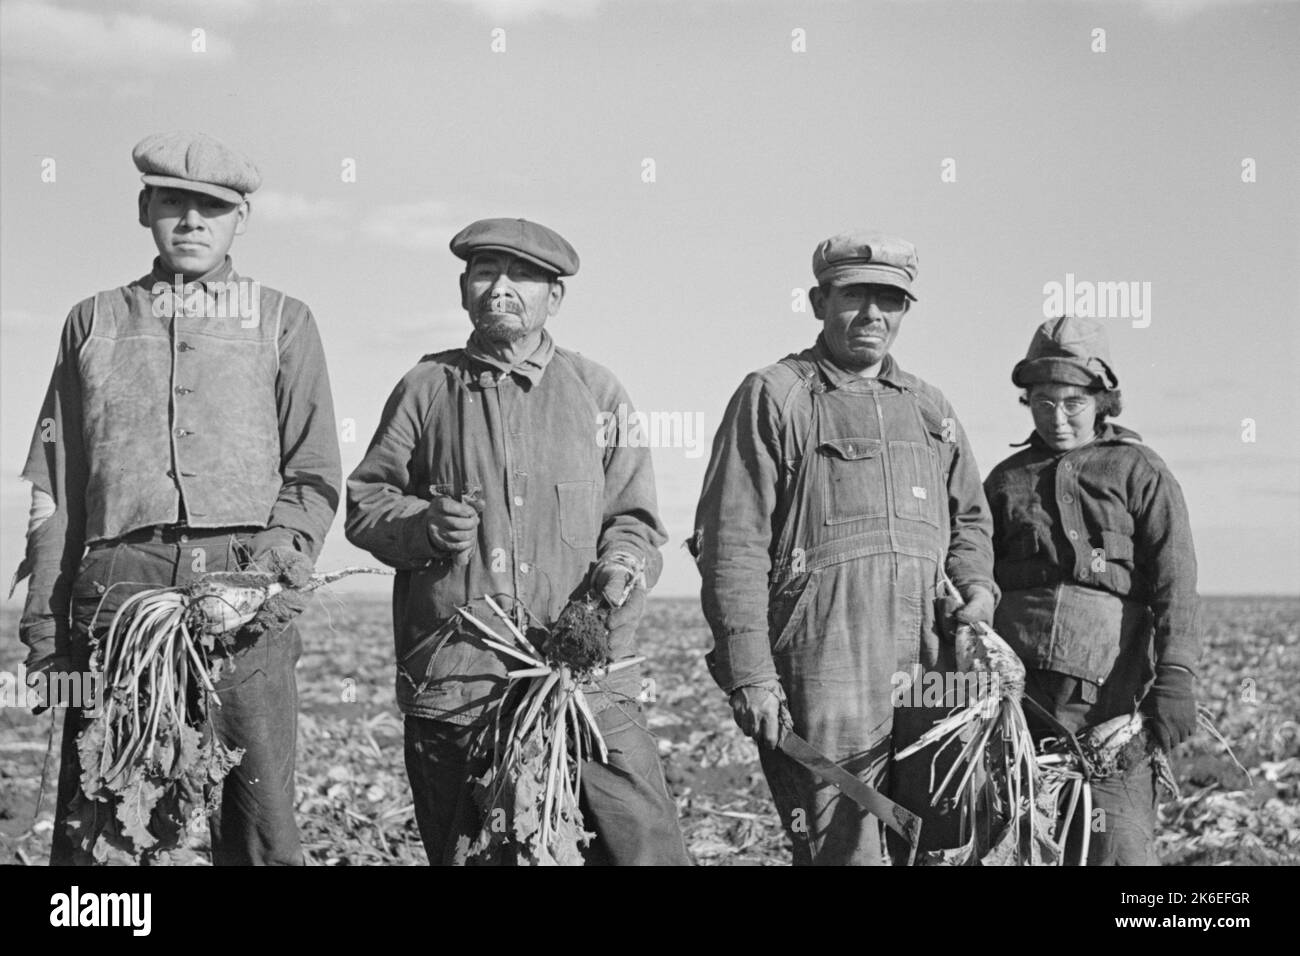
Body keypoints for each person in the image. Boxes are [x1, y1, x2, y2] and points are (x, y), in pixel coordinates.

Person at [15, 130, 342, 865]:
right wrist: (44, 634)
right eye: (174, 203)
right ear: (145, 209)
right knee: (106, 816)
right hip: (116, 600)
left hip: (241, 595)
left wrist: (265, 572)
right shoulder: (91, 321)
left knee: (256, 818)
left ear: (240, 220)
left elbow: (315, 473)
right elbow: (55, 489)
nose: (192, 221)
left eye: (213, 207)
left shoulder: (283, 320)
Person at [345, 217, 689, 865]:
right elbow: (366, 504)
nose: (502, 287)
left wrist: (620, 565)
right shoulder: (425, 389)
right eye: (486, 273)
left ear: (553, 297)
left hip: (587, 680)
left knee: (640, 845)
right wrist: (423, 526)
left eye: (523, 276)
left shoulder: (597, 391)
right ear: (464, 288)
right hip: (459, 683)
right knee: (471, 852)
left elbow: (637, 522)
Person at [692, 229, 998, 865]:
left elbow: (970, 518)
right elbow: (732, 543)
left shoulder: (930, 407)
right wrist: (750, 671)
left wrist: (976, 588)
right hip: (823, 665)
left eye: (890, 300)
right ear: (817, 301)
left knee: (943, 839)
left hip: (931, 662)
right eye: (854, 296)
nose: (873, 315)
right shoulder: (776, 395)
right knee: (842, 850)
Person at [983, 316, 1199, 865]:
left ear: (1102, 400)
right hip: (1019, 722)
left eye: (1073, 402)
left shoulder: (1139, 471)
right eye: (1042, 402)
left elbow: (1177, 583)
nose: (1058, 417)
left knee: (1118, 854)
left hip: (1112, 719)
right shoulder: (1005, 481)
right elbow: (973, 574)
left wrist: (1174, 681)